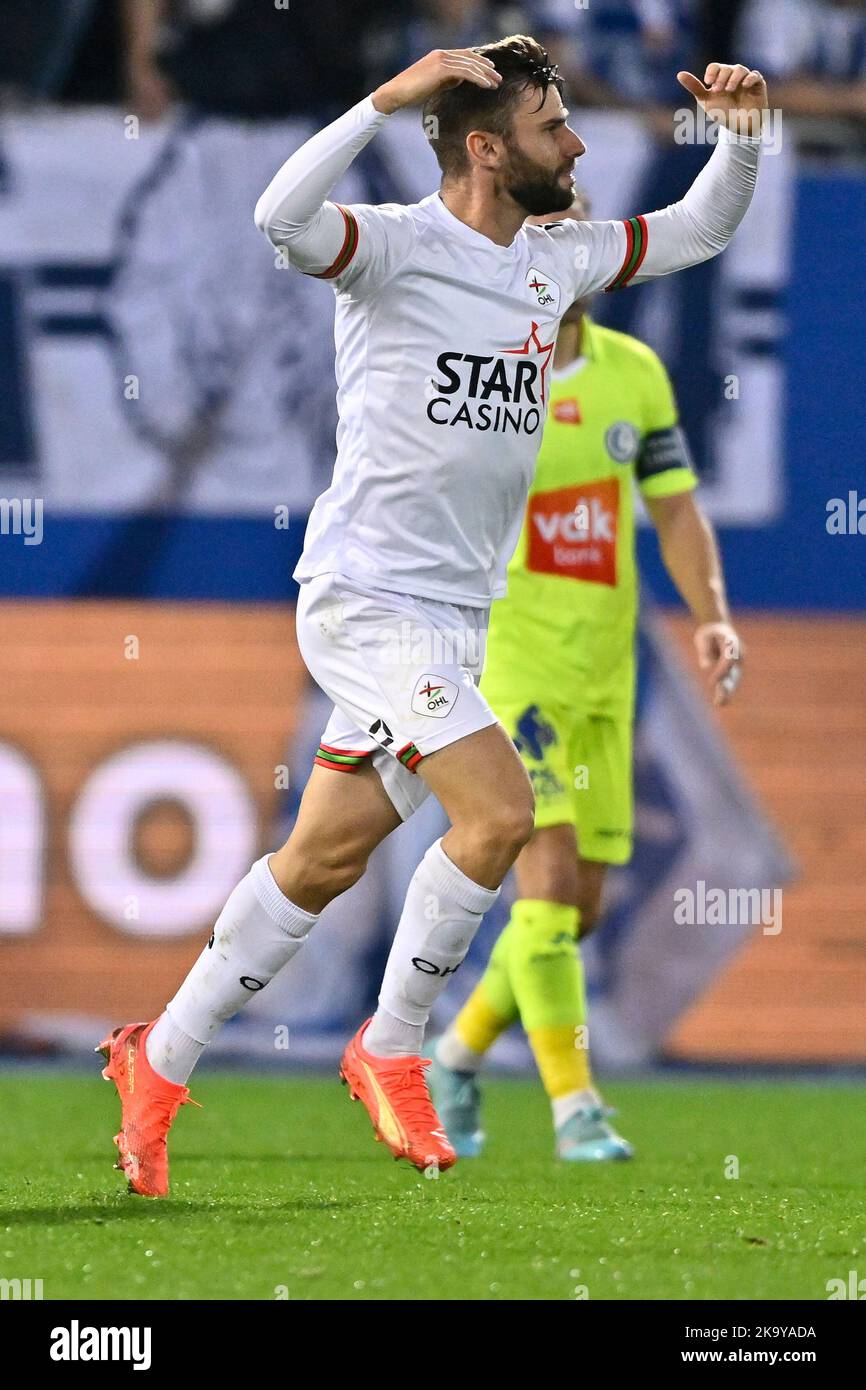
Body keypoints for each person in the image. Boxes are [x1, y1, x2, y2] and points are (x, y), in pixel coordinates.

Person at [98, 35, 765, 1196]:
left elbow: (696, 230)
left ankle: (154, 1060)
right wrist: (377, 99)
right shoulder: (395, 248)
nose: (576, 140)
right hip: (364, 601)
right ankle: (393, 1043)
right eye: (553, 125)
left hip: (454, 615)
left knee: (321, 857)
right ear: (482, 146)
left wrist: (742, 140)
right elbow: (278, 217)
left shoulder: (551, 260)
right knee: (498, 814)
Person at [432, 189, 742, 1162]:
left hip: (608, 672)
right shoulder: (488, 375)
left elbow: (675, 511)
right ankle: (576, 1108)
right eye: (547, 233)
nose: (565, 249)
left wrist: (711, 617)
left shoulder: (634, 376)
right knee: (550, 879)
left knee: (575, 909)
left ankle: (454, 1052)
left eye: (577, 235)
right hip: (513, 664)